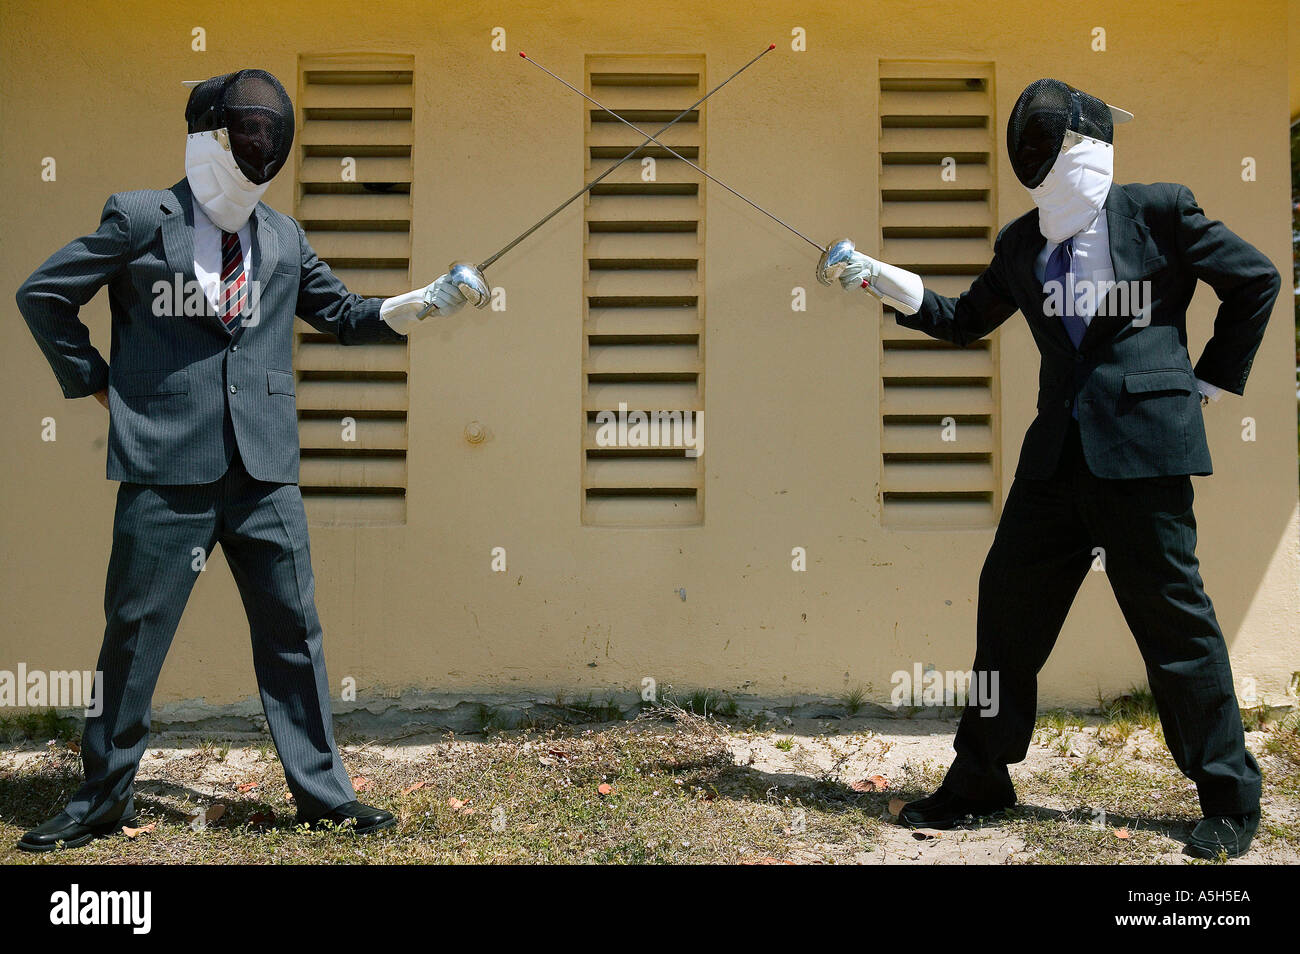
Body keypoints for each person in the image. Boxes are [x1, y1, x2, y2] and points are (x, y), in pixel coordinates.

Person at [14, 69, 486, 852]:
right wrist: (101, 387)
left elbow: (340, 314)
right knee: (133, 639)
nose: (260, 142)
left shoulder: (283, 237)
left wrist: (423, 302)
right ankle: (100, 801)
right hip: (167, 469)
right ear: (211, 133)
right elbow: (44, 295)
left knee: (294, 634)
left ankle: (326, 798)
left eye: (271, 131)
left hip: (265, 471)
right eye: (247, 129)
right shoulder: (140, 217)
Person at [824, 78, 1278, 859]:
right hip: (1054, 466)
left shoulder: (1160, 211)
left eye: (1055, 142)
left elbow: (1256, 280)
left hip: (1143, 458)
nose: (1041, 155)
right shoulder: (1022, 246)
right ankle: (981, 779)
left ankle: (1230, 796)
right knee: (1007, 613)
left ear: (1089, 144)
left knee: (1175, 629)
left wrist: (1208, 381)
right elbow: (962, 320)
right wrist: (876, 276)